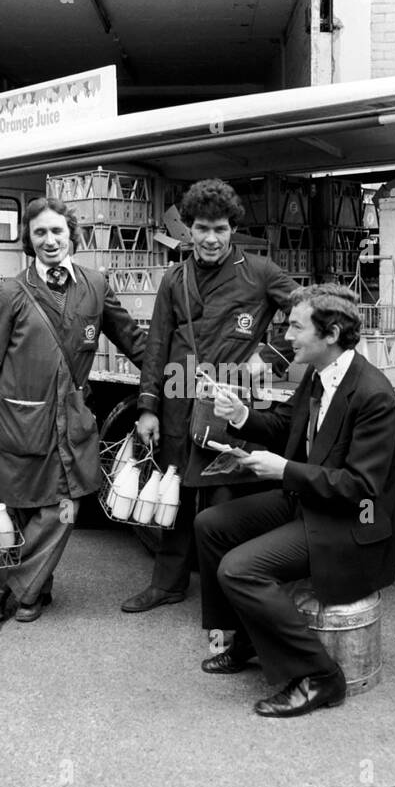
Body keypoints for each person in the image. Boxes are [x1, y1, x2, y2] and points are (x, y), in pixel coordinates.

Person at [194, 284, 395, 718]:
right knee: (210, 526)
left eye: (296, 326)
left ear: (330, 334)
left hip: (351, 524)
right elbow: (285, 428)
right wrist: (240, 414)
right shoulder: (317, 374)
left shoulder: (374, 395)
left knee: (240, 570)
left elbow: (360, 487)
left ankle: (319, 676)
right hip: (311, 502)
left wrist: (284, 471)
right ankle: (250, 642)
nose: (285, 335)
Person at [121, 178, 298, 615]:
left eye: (220, 229)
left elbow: (314, 311)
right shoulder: (174, 278)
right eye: (202, 228)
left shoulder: (260, 272)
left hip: (230, 401)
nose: (211, 238)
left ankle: (231, 594)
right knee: (174, 492)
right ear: (189, 229)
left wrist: (271, 354)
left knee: (226, 498)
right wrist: (147, 407)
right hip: (179, 400)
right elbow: (157, 345)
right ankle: (167, 584)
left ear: (232, 228)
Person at [0, 197, 146, 623]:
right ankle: (33, 587)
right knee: (22, 509)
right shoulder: (11, 292)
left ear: (73, 234)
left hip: (72, 421)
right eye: (40, 233)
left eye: (57, 231)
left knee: (61, 511)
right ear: (29, 242)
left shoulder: (95, 285)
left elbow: (134, 340)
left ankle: (12, 586)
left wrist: (182, 372)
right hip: (19, 419)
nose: (49, 240)